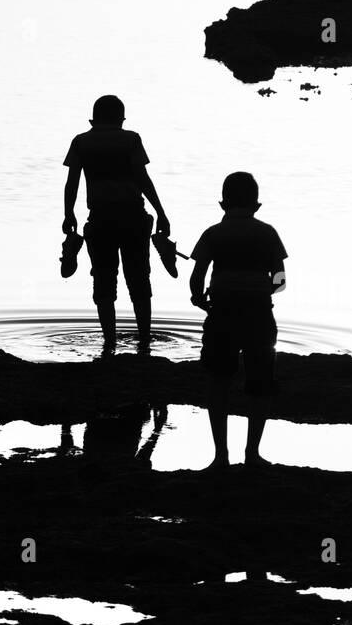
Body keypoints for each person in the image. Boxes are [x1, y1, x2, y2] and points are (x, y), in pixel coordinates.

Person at [188, 171, 287, 469]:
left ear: (222, 204)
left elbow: (196, 278)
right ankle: (252, 454)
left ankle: (221, 455)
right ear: (256, 205)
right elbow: (281, 278)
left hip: (221, 312)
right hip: (258, 311)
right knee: (260, 382)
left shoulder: (212, 234)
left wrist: (199, 299)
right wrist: (267, 289)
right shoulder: (267, 233)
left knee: (218, 380)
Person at [62, 95, 171, 350]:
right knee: (139, 279)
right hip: (133, 217)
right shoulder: (131, 139)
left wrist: (69, 213)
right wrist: (161, 212)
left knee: (103, 279)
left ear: (93, 118)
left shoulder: (81, 142)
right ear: (121, 119)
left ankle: (109, 341)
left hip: (100, 219)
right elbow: (143, 179)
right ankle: (144, 339)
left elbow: (72, 183)